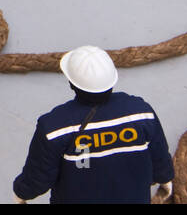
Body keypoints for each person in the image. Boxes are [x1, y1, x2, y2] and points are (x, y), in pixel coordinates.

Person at [13, 45, 174, 204]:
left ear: (71, 83)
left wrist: (21, 194)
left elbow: (38, 177)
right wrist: (165, 179)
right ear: (112, 78)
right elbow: (159, 157)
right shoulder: (142, 113)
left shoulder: (53, 127)